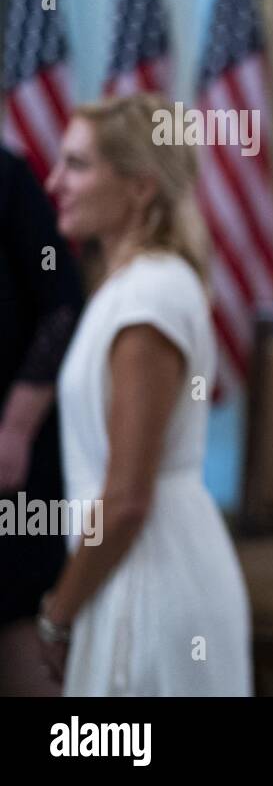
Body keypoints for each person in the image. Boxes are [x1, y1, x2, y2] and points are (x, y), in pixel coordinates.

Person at [38, 94, 252, 695]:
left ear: (140, 186)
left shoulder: (149, 297)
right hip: (130, 574)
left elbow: (128, 498)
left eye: (77, 165)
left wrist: (57, 615)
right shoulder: (132, 287)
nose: (55, 182)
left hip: (152, 584)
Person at [0, 148, 83, 696]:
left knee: (20, 613)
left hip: (17, 466)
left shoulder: (8, 179)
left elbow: (63, 305)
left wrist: (15, 428)